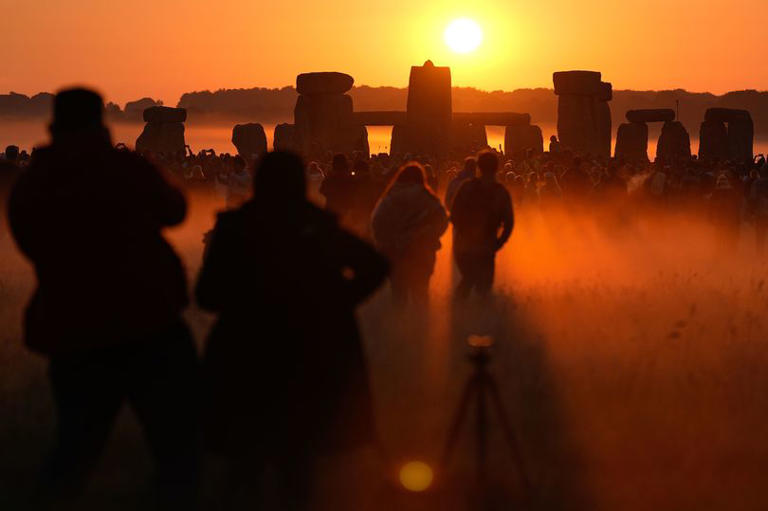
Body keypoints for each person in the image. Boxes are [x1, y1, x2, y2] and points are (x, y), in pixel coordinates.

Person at [7, 89, 198, 509]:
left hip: (73, 326)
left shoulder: (34, 183)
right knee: (177, 444)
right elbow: (175, 210)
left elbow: (29, 240)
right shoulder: (124, 168)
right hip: (149, 321)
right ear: (100, 122)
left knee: (75, 447)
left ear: (55, 124)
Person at [196, 151, 388, 510]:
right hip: (309, 352)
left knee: (243, 459)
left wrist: (246, 304)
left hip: (246, 352)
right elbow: (375, 265)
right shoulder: (318, 226)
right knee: (298, 459)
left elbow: (206, 295)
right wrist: (337, 302)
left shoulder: (235, 227)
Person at [371, 162, 448, 304]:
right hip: (422, 253)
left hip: (394, 253)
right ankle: (420, 324)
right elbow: (443, 220)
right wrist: (430, 236)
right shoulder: (427, 197)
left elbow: (376, 222)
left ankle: (400, 324)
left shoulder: (389, 198)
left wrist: (387, 241)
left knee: (398, 295)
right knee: (420, 294)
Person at [450, 150, 514, 299]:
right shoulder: (501, 192)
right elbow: (509, 222)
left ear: (478, 166)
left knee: (468, 280)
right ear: (497, 167)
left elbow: (454, 214)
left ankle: (457, 313)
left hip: (463, 246)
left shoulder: (466, 187)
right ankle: (478, 317)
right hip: (487, 246)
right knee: (483, 288)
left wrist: (462, 232)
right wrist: (498, 243)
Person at [320, 153, 356, 223]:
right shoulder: (349, 178)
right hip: (347, 208)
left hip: (332, 208)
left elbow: (322, 190)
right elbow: (354, 192)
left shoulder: (330, 178)